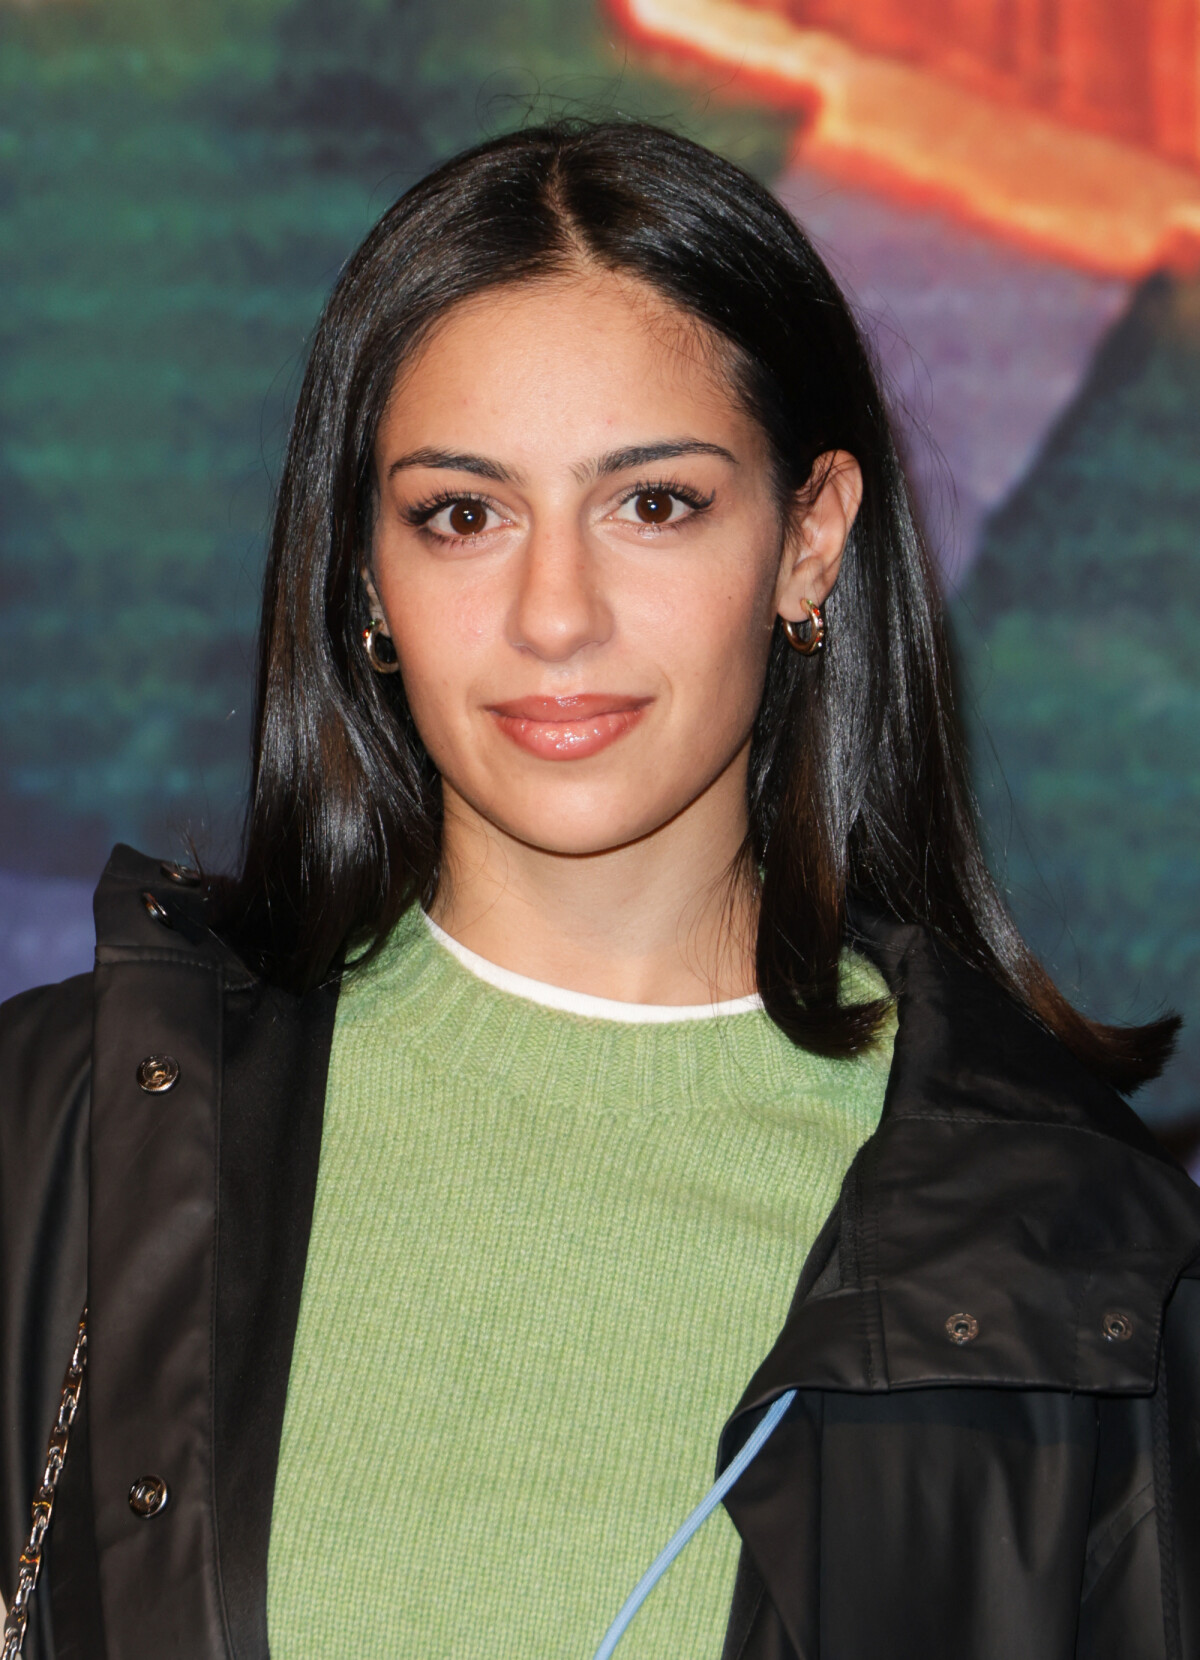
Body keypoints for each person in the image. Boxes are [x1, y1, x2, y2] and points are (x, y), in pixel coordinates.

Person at [2, 119, 1198, 1660]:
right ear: (368, 574)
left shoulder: (1074, 1249)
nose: (553, 616)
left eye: (655, 504)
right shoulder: (63, 1126)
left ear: (810, 543)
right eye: (461, 513)